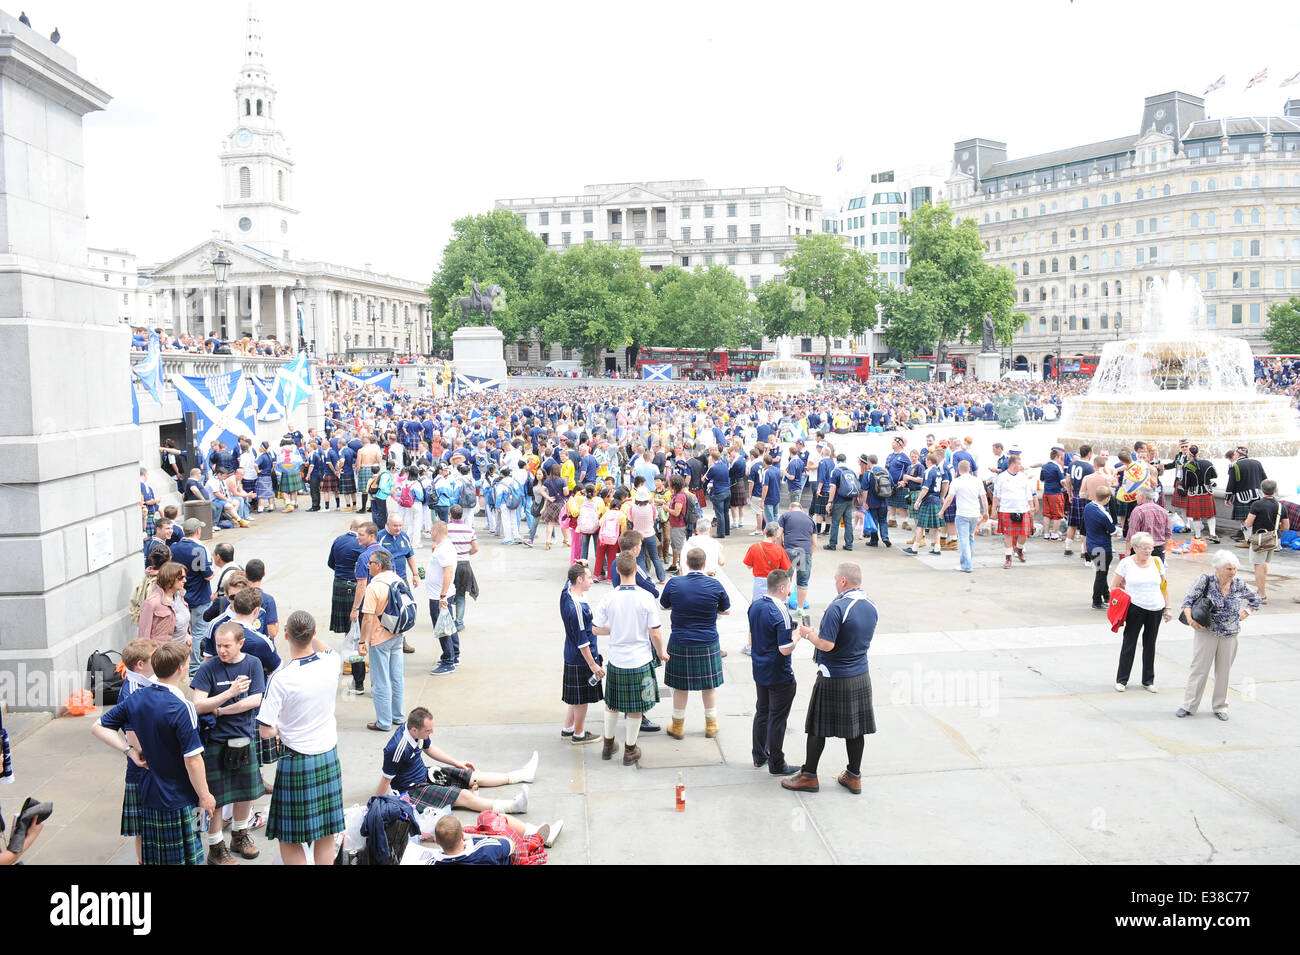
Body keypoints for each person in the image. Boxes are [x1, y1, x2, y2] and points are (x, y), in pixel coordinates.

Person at [91, 642, 216, 866]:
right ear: (180, 668)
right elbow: (193, 760)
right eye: (187, 663)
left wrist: (130, 752)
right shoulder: (182, 707)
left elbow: (98, 726)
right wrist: (205, 795)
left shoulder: (137, 698)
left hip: (151, 792)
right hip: (180, 796)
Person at [375, 708, 558, 845]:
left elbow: (429, 748)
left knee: (470, 775)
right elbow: (386, 779)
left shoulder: (418, 733)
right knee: (463, 797)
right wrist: (374, 806)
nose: (431, 733)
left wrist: (456, 762)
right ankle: (513, 806)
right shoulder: (396, 749)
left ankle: (521, 775)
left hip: (425, 773)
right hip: (413, 789)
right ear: (414, 730)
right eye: (428, 731)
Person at [257, 611, 345, 865]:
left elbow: (265, 730)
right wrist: (310, 631)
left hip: (296, 759)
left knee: (290, 837)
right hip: (327, 755)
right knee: (326, 831)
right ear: (314, 634)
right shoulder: (332, 662)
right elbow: (324, 647)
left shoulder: (281, 678)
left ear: (285, 635)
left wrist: (280, 730)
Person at [782, 562, 877, 796]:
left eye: (836, 579)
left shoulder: (839, 607)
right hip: (860, 674)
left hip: (834, 675)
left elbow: (827, 644)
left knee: (817, 726)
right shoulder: (871, 606)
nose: (835, 583)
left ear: (843, 581)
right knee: (856, 729)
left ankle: (809, 776)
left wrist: (809, 635)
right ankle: (854, 776)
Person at [191, 622, 266, 864]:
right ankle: (215, 847)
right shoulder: (208, 669)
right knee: (217, 797)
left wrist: (221, 711)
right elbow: (198, 705)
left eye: (227, 645)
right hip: (215, 742)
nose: (221, 650)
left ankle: (239, 835)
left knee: (246, 794)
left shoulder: (253, 663)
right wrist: (229, 693)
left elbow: (254, 699)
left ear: (240, 643)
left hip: (243, 737)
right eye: (218, 645)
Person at [592, 553, 668, 766]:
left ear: (616, 571)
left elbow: (596, 628)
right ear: (636, 570)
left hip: (617, 659)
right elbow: (655, 632)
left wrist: (615, 629)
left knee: (612, 703)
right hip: (640, 659)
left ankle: (608, 744)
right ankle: (630, 750)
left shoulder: (609, 597)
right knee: (636, 707)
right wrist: (661, 652)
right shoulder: (646, 597)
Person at [1176, 551, 1260, 721]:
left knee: (1224, 672)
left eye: (1234, 568)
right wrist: (1191, 621)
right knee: (1199, 669)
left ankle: (1220, 706)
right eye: (1228, 568)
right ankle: (1189, 705)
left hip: (1230, 633)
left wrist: (1247, 611)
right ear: (1218, 568)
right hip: (1206, 631)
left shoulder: (1239, 584)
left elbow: (1256, 599)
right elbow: (1187, 601)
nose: (1232, 572)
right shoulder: (1205, 580)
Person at [660, 547, 730, 739]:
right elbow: (726, 611)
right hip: (707, 641)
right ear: (704, 564)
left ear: (686, 564)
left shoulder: (674, 583)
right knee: (709, 686)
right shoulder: (715, 585)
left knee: (680, 686)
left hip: (680, 641)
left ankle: (677, 726)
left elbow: (663, 606)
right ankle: (711, 724)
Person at [748, 569, 806, 777]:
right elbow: (785, 648)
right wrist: (797, 636)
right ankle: (777, 762)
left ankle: (759, 755)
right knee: (777, 718)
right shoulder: (781, 612)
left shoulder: (755, 606)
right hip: (779, 672)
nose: (790, 590)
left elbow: (755, 635)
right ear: (782, 588)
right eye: (789, 586)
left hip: (760, 668)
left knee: (762, 712)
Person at [1108, 532, 1172, 693]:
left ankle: (1148, 680)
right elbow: (1114, 586)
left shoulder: (1157, 562)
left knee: (1150, 644)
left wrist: (1167, 607)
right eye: (1144, 548)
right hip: (1135, 607)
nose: (1148, 551)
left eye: (1151, 548)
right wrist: (1122, 601)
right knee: (1129, 643)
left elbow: (1164, 586)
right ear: (1135, 548)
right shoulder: (1126, 563)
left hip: (1155, 608)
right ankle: (1122, 680)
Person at [114, 637, 158, 865]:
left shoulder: (148, 682)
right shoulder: (132, 691)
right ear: (140, 664)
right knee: (144, 827)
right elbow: (134, 739)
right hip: (144, 768)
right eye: (154, 657)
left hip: (154, 766)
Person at [359, 548, 406, 732]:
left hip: (380, 638)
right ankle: (398, 716)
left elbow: (368, 618)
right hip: (397, 634)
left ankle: (384, 722)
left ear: (377, 566)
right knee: (397, 678)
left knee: (380, 682)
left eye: (370, 563)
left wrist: (363, 641)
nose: (368, 565)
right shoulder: (398, 580)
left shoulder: (374, 587)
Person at [560, 562, 604, 744]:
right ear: (579, 580)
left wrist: (578, 564)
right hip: (581, 659)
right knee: (581, 700)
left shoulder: (566, 594)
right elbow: (582, 641)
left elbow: (566, 580)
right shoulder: (577, 608)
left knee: (575, 697)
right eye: (588, 577)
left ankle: (568, 727)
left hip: (571, 654)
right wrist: (593, 665)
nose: (592, 580)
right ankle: (578, 733)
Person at [170, 517, 213, 677]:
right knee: (198, 631)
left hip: (180, 596)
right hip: (199, 596)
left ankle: (179, 663)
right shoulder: (200, 549)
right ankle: (194, 667)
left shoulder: (174, 547)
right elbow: (208, 575)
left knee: (181, 632)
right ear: (198, 531)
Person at [1241, 478, 1288, 604]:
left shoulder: (1257, 504)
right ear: (1275, 490)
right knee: (1264, 564)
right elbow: (1286, 526)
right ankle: (1261, 592)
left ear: (1262, 490)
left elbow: (1248, 523)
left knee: (1259, 565)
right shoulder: (1280, 506)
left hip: (1259, 540)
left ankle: (1261, 595)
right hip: (1273, 539)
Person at [940, 458, 987, 574]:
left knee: (964, 539)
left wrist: (942, 511)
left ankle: (966, 565)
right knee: (970, 537)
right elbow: (983, 497)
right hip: (975, 514)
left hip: (962, 513)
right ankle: (967, 561)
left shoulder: (956, 482)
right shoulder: (977, 481)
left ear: (958, 470)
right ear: (969, 469)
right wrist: (986, 511)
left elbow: (949, 498)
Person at [427, 520, 461, 674]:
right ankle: (454, 654)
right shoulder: (443, 547)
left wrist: (442, 596)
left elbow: (449, 572)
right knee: (449, 624)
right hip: (441, 594)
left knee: (442, 628)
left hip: (439, 596)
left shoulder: (444, 550)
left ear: (435, 532)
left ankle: (448, 661)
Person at [992, 454, 1037, 569]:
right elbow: (996, 495)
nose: (1021, 466)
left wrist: (1031, 507)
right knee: (1008, 534)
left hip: (1023, 509)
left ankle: (1019, 549)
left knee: (1025, 533)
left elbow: (1028, 494)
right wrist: (994, 510)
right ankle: (1008, 557)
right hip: (1006, 509)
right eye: (1019, 463)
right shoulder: (1001, 477)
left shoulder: (1023, 476)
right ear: (1013, 464)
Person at [327, 517, 364, 636]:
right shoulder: (361, 544)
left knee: (347, 625)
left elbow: (330, 563)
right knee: (357, 620)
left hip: (338, 583)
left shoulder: (338, 540)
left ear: (350, 526)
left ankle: (349, 645)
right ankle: (358, 648)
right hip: (354, 585)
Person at [777, 498, 816, 611]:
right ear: (801, 509)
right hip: (805, 552)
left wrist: (780, 550)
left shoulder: (785, 516)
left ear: (790, 508)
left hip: (790, 551)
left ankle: (782, 605)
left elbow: (779, 535)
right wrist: (809, 554)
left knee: (785, 578)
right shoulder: (810, 519)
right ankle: (800, 608)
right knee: (803, 582)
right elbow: (814, 542)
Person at [1085, 486, 1118, 609]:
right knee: (1101, 575)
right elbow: (1113, 532)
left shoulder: (1088, 507)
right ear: (1108, 498)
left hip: (1091, 545)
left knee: (1101, 572)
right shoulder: (1105, 515)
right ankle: (1097, 600)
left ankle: (1106, 595)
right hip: (1103, 548)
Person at [1224, 447, 1267, 543]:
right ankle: (1256, 540)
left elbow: (1231, 484)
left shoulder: (1234, 466)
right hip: (1257, 495)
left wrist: (1227, 497)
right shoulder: (1257, 463)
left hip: (1241, 497)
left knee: (1244, 520)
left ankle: (1248, 540)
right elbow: (1264, 479)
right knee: (1255, 518)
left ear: (1237, 455)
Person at [743, 523, 792, 603]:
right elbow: (786, 569)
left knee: (758, 606)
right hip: (775, 582)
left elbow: (748, 566)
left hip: (759, 583)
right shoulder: (779, 550)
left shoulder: (754, 547)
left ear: (764, 531)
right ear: (776, 535)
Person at [138, 561, 183, 645]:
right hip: (161, 654)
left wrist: (188, 635)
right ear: (171, 578)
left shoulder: (180, 596)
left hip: (180, 651)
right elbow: (144, 636)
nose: (185, 580)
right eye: (181, 577)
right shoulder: (152, 602)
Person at [1181, 445, 1219, 543]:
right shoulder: (1208, 463)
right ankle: (1213, 534)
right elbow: (1215, 475)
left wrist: (1184, 489)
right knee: (1210, 515)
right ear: (1198, 453)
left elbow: (1185, 482)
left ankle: (1198, 536)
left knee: (1196, 516)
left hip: (1194, 493)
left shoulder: (1187, 466)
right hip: (1207, 491)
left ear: (1190, 454)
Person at [1125, 486, 1171, 559]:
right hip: (1159, 549)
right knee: (1156, 569)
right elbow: (1168, 533)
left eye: (1136, 495)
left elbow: (1131, 533)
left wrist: (1127, 551)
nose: (1135, 497)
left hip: (1141, 549)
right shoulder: (1163, 511)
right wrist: (1163, 549)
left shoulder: (1138, 511)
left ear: (1142, 496)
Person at [824, 454, 856, 551]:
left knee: (835, 522)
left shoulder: (835, 472)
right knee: (848, 523)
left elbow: (833, 487)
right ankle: (849, 544)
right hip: (849, 500)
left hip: (839, 500)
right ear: (845, 460)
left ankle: (832, 544)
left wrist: (829, 502)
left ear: (836, 461)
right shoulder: (851, 471)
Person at [705, 449, 731, 537]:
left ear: (712, 458)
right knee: (726, 512)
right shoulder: (724, 465)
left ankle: (721, 533)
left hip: (718, 491)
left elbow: (705, 479)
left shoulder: (713, 468)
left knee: (719, 513)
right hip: (727, 490)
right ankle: (727, 531)